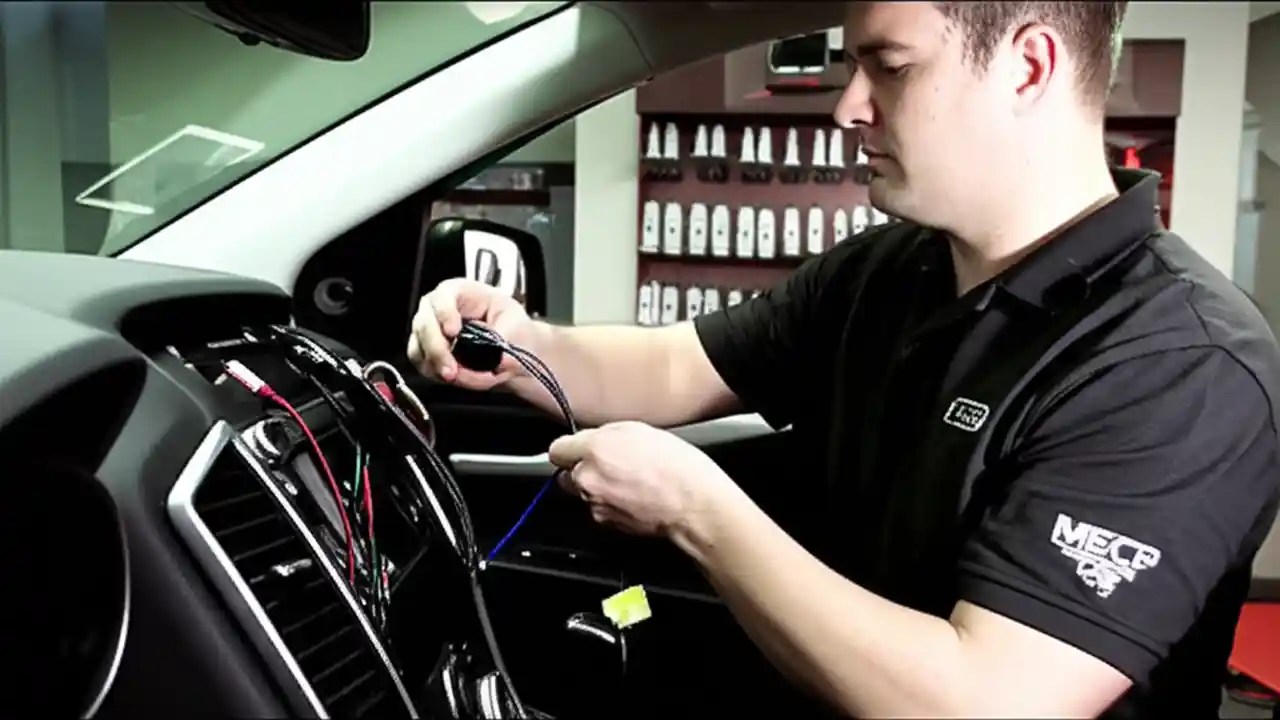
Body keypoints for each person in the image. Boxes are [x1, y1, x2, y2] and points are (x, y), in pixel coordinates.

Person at [408, 1, 1280, 717]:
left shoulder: (1182, 365)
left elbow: (983, 704)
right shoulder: (893, 271)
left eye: (891, 67)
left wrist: (693, 509)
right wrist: (519, 346)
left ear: (1028, 67)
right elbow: (679, 368)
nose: (848, 106)